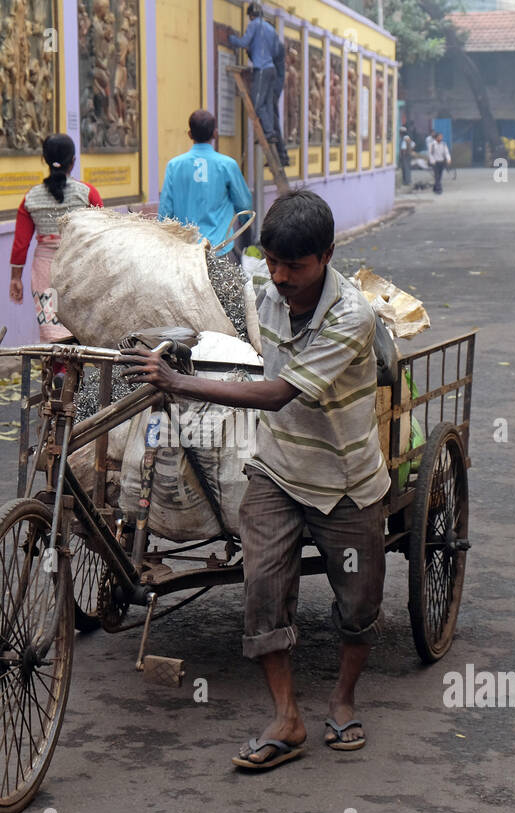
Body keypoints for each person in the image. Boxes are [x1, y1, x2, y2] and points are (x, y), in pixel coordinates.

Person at [124, 190, 387, 770]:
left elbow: (276, 392)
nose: (280, 276)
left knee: (358, 606)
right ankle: (287, 717)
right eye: (271, 262)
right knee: (262, 589)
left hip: (346, 480)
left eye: (295, 266)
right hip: (275, 470)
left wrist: (179, 383)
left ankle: (342, 700)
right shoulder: (265, 294)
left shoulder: (353, 316)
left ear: (327, 256)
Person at [9, 133, 103, 342]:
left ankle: (57, 370)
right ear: (73, 162)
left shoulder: (31, 198)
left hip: (45, 269)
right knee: (80, 323)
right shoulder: (87, 193)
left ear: (44, 160)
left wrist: (15, 278)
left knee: (51, 324)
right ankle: (74, 369)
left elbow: (20, 244)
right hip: (80, 267)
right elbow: (103, 235)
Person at [159, 110, 254, 264]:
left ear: (189, 134)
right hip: (219, 250)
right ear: (215, 134)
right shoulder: (227, 165)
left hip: (185, 253)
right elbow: (244, 206)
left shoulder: (174, 166)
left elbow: (165, 213)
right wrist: (246, 223)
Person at [229, 2, 290, 167]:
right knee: (268, 105)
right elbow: (276, 51)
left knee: (256, 103)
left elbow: (244, 42)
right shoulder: (271, 30)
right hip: (271, 70)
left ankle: (269, 133)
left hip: (262, 69)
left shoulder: (254, 25)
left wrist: (232, 39)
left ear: (251, 15)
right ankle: (274, 141)